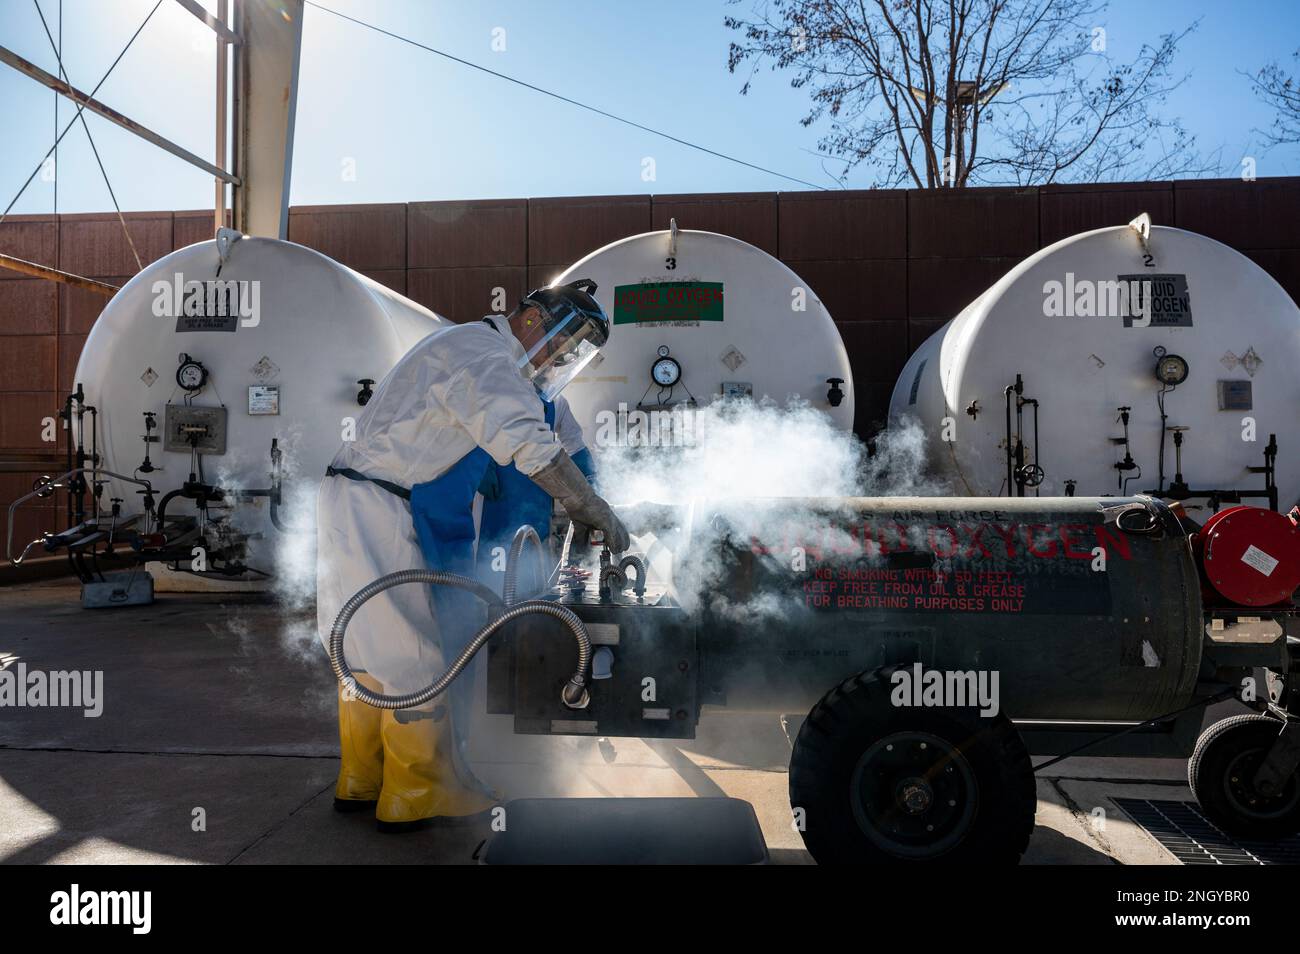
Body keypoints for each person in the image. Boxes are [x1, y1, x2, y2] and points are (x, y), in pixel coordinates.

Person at [316, 280, 628, 832]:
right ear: (531, 319)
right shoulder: (483, 356)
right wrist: (590, 507)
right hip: (381, 505)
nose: (561, 356)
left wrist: (588, 495)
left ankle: (363, 779)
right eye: (564, 340)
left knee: (365, 649)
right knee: (413, 653)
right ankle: (417, 790)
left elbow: (549, 436)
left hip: (357, 497)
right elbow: (530, 445)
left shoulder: (476, 352)